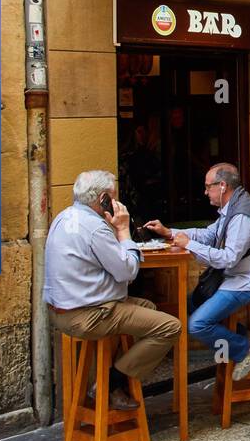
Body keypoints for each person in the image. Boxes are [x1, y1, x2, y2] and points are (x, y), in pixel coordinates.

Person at [45, 170, 181, 410]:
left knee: (148, 307)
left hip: (64, 311)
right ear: (103, 199)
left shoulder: (63, 217)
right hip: (90, 314)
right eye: (114, 197)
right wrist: (123, 230)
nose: (118, 203)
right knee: (170, 327)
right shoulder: (96, 228)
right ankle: (110, 382)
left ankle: (115, 383)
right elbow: (128, 271)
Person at [145, 164, 250, 384]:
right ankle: (241, 336)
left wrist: (190, 246)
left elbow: (228, 258)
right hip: (234, 278)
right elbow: (208, 234)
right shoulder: (232, 208)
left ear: (222, 186)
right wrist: (169, 232)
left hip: (248, 281)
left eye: (208, 187)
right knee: (189, 305)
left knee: (198, 324)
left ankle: (244, 348)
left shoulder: (242, 215)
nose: (205, 192)